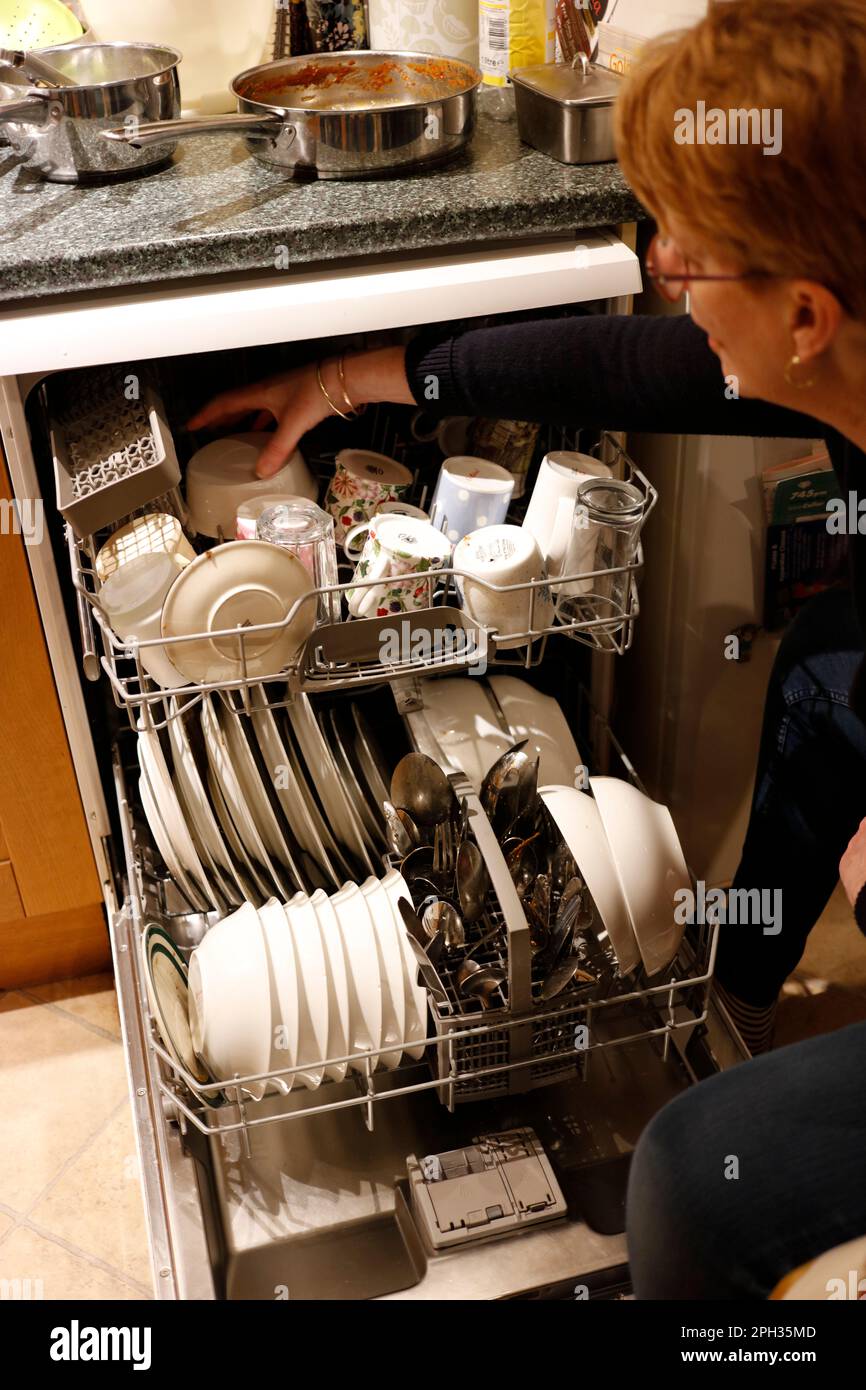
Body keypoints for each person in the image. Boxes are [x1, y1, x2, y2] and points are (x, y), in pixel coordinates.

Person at [189, 0, 866, 1293]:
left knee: (685, 1187)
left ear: (802, 316)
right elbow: (614, 365)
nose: (659, 264)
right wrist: (348, 380)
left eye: (689, 252)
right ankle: (744, 1001)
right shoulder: (824, 348)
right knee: (829, 664)